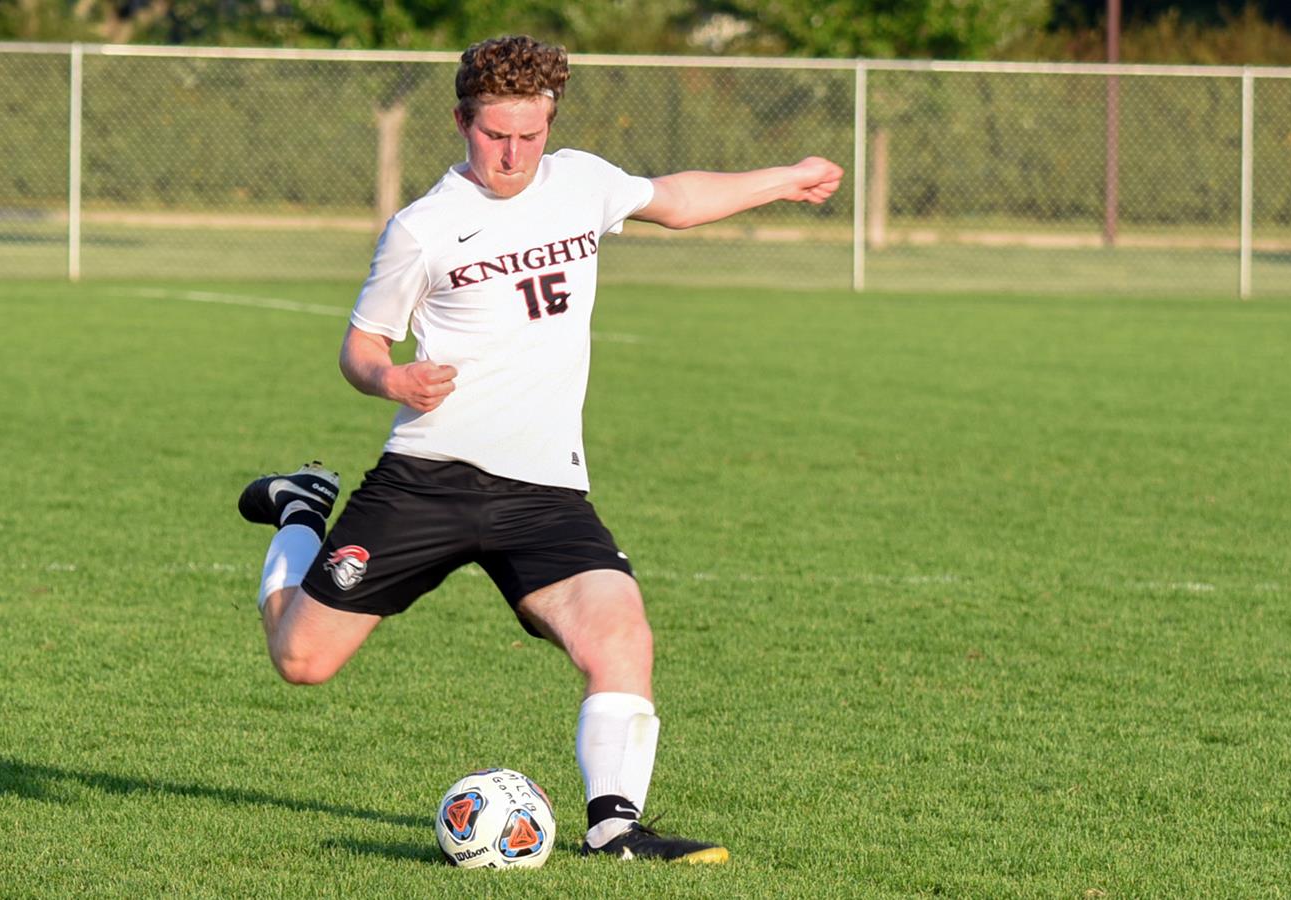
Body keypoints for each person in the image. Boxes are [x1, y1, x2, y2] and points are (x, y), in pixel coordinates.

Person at [239, 34, 842, 864]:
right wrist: (393, 381)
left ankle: (616, 829)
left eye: (531, 134)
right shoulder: (424, 229)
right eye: (495, 134)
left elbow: (675, 199)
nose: (514, 154)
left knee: (621, 634)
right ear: (461, 121)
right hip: (427, 481)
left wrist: (786, 179)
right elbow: (361, 344)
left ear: (551, 119)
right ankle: (300, 513)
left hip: (544, 493)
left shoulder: (583, 182)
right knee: (301, 660)